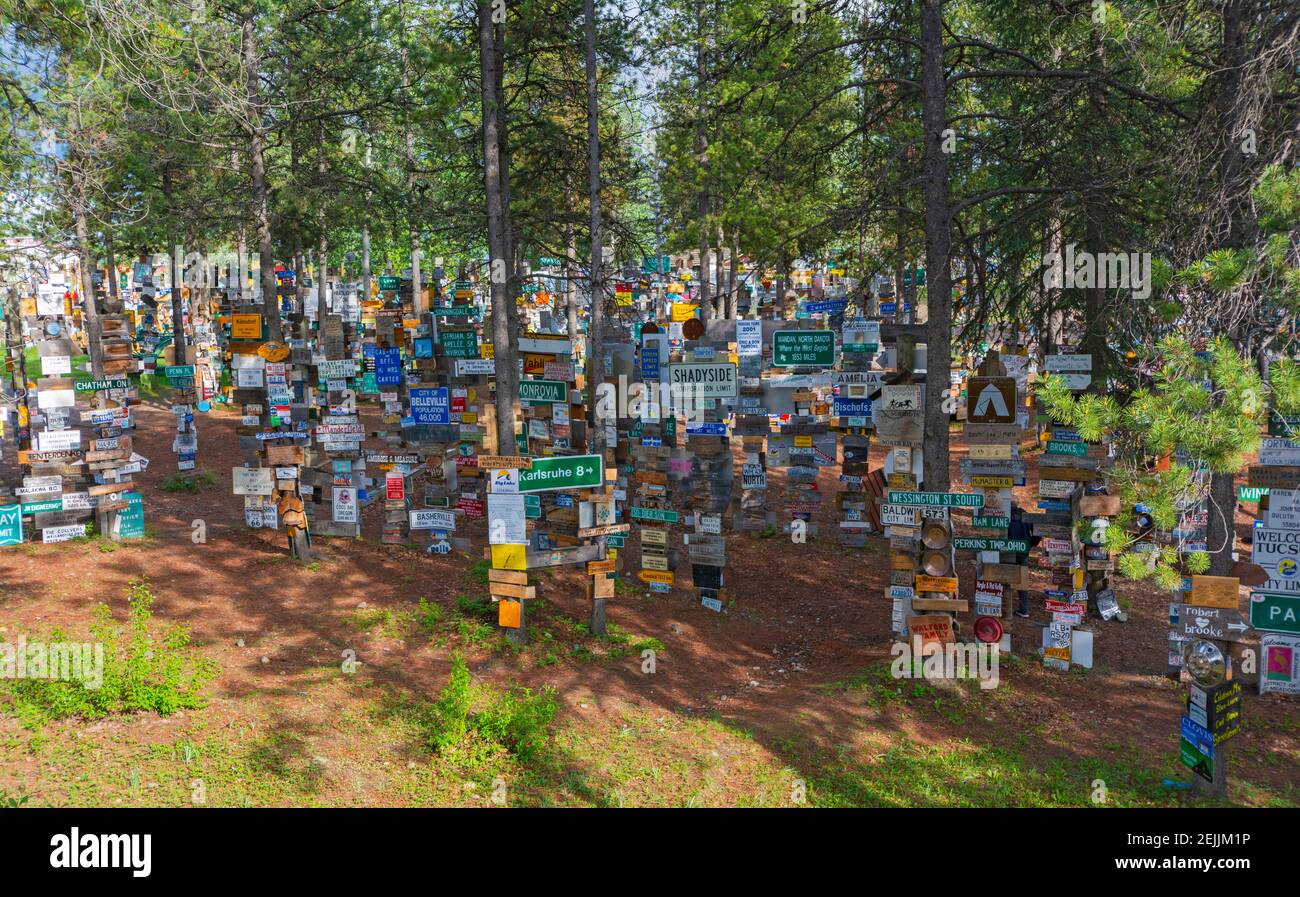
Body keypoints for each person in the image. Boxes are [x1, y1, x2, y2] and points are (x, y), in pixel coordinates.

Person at [1008, 505, 1039, 617]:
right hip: (1023, 551)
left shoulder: (1004, 515)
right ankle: (1024, 609)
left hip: (1007, 550)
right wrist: (1031, 544)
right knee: (1022, 579)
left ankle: (1004, 607)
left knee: (1004, 576)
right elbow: (1037, 531)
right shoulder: (1026, 515)